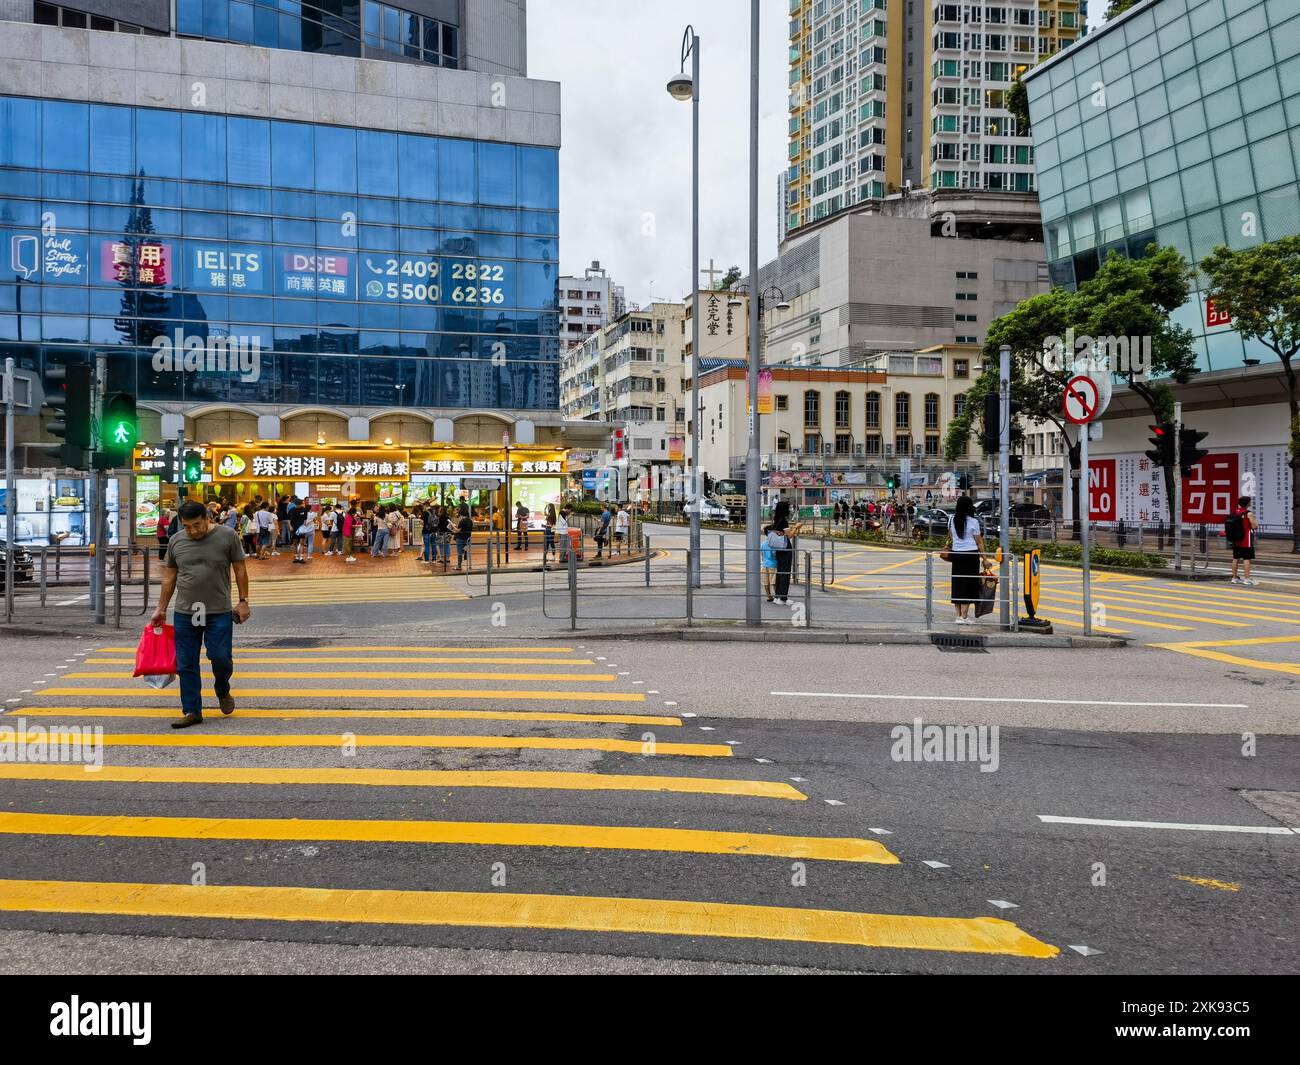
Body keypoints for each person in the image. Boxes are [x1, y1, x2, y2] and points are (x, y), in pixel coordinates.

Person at [150, 499, 250, 729]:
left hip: (218, 611)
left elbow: (240, 569)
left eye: (196, 524)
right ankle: (192, 710)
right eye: (187, 526)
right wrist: (161, 608)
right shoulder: (176, 541)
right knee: (186, 664)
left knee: (220, 657)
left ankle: (222, 688)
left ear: (207, 518)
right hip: (186, 612)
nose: (192, 531)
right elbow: (169, 577)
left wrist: (243, 601)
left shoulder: (227, 536)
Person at [946, 494, 985, 624]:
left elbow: (951, 536)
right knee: (969, 584)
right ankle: (964, 617)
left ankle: (958, 616)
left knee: (957, 584)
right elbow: (979, 542)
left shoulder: (951, 520)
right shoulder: (973, 522)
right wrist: (984, 559)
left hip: (957, 555)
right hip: (971, 556)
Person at [765, 500, 801, 605]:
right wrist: (796, 527)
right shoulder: (784, 521)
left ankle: (777, 596)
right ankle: (783, 598)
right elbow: (789, 535)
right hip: (785, 548)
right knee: (785, 573)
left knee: (780, 572)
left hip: (779, 549)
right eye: (788, 508)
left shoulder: (776, 520)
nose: (790, 510)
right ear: (784, 510)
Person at [1228, 495, 1258, 586]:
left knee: (1235, 558)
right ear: (1248, 504)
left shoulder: (1235, 512)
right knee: (1246, 559)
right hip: (1246, 540)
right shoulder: (1248, 513)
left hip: (1236, 539)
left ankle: (1234, 578)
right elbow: (1254, 526)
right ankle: (1247, 579)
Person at [454, 503, 473, 570]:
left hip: (460, 538)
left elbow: (458, 530)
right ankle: (468, 565)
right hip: (467, 538)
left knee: (459, 553)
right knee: (466, 551)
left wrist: (453, 526)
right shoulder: (470, 521)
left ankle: (459, 566)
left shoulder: (462, 521)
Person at [543, 502, 558, 567]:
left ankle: (549, 556)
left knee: (549, 542)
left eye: (549, 507)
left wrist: (546, 507)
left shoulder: (550, 515)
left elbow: (550, 524)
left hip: (549, 529)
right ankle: (552, 556)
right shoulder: (553, 514)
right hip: (550, 530)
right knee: (550, 542)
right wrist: (546, 506)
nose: (548, 508)